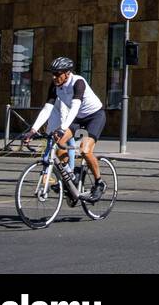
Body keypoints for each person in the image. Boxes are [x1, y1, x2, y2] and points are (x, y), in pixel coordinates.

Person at [23, 56, 107, 201]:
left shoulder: (78, 82)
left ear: (67, 73)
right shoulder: (55, 86)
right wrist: (33, 130)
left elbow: (75, 107)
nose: (54, 77)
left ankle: (99, 182)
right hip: (77, 118)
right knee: (58, 141)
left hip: (94, 116)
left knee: (85, 151)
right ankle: (71, 176)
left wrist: (62, 127)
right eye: (53, 73)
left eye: (58, 74)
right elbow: (47, 109)